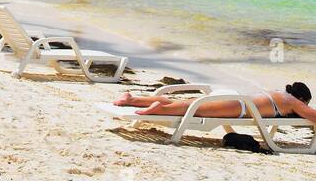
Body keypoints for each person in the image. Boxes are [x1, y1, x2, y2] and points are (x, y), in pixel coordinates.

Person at [114, 81, 315, 122]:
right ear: (301, 99)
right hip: (239, 106)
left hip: (233, 96)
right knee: (194, 109)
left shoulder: (278, 92)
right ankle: (157, 110)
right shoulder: (292, 101)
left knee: (189, 103)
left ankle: (133, 99)